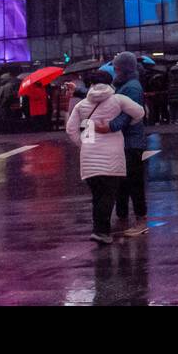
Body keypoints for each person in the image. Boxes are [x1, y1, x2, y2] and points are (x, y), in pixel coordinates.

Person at [65, 70, 145, 244]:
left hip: (89, 155)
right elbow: (140, 112)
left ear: (91, 84)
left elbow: (70, 129)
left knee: (97, 195)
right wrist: (122, 123)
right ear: (110, 83)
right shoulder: (118, 100)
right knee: (108, 195)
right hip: (112, 156)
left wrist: (82, 143)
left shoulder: (82, 105)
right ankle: (102, 232)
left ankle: (99, 229)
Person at [104, 52, 149, 237]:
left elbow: (128, 115)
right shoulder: (124, 85)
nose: (114, 69)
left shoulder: (131, 88)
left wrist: (108, 126)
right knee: (122, 182)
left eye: (117, 66)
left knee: (133, 182)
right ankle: (122, 219)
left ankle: (140, 220)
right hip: (124, 142)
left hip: (131, 141)